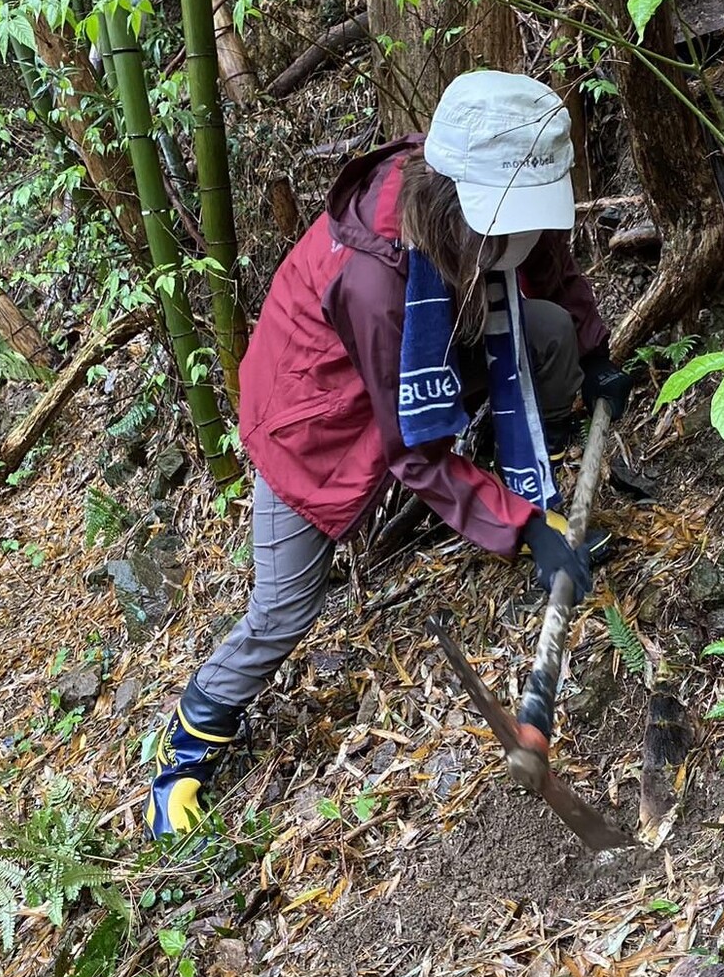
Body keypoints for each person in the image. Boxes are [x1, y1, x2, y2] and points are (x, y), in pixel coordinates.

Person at [145, 71, 631, 838]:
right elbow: (413, 448)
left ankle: (526, 478)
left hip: (422, 348)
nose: (526, 234)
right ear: (465, 210)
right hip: (312, 417)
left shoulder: (477, 202)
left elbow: (546, 265)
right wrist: (527, 531)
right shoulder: (375, 281)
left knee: (544, 332)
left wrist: (595, 351)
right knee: (282, 609)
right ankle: (184, 748)